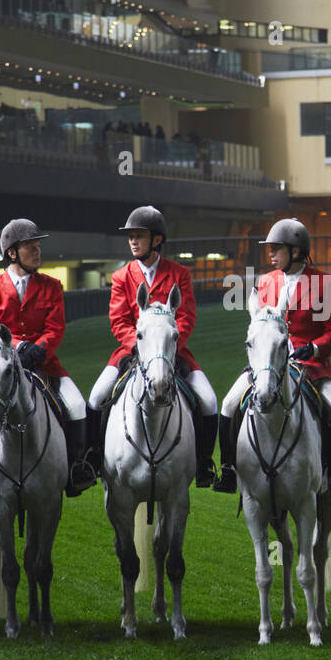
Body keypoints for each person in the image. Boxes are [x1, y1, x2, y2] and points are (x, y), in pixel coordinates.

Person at [0, 219, 97, 497]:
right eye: (31, 247)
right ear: (12, 252)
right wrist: (20, 347)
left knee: (76, 405)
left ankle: (77, 467)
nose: (38, 252)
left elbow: (55, 328)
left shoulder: (52, 286)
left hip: (45, 366)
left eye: (38, 247)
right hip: (1, 366)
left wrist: (39, 349)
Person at [213, 218, 331, 501]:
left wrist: (313, 348)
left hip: (309, 366)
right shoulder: (264, 282)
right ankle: (228, 470)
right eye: (270, 249)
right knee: (228, 403)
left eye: (277, 248)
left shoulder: (323, 283)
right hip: (267, 366)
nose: (270, 254)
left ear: (297, 252)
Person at [86, 206, 218, 488]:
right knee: (96, 398)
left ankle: (204, 461)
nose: (133, 241)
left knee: (209, 400)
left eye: (139, 236)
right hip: (131, 352)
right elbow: (118, 320)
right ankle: (92, 457)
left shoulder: (179, 273)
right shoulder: (122, 276)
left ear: (156, 240)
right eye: (130, 236)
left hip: (173, 352)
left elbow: (186, 317)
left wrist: (166, 346)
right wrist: (137, 345)